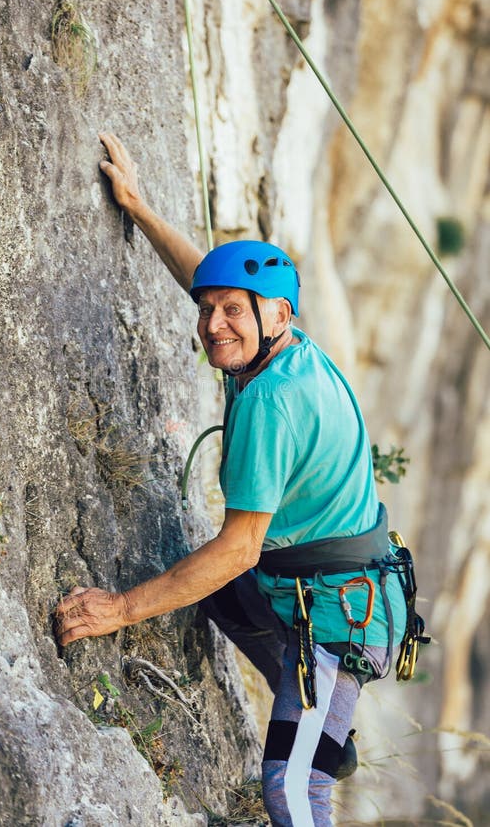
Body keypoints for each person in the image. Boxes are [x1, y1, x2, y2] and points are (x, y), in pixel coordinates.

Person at [55, 132, 408, 826]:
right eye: (206, 308)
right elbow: (219, 283)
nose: (213, 326)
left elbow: (239, 549)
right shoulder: (284, 348)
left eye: (232, 312)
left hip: (338, 621)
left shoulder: (274, 402)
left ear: (277, 316)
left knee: (291, 790)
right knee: (223, 599)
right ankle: (316, 723)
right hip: (317, 589)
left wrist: (121, 610)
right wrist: (143, 210)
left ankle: (315, 727)